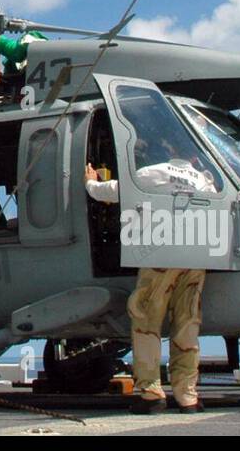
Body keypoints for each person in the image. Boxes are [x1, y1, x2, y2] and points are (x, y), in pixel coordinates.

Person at [84, 161, 207, 415]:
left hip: (160, 253)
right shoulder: (201, 178)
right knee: (187, 323)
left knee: (146, 319)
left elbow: (114, 191)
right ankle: (187, 397)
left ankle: (151, 393)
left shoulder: (154, 171)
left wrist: (90, 182)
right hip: (197, 254)